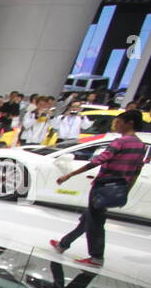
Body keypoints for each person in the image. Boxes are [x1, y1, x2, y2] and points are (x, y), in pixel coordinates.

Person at [50, 111, 145, 267]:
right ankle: (63, 244)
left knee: (95, 222)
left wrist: (70, 175)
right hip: (117, 187)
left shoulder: (119, 142)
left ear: (130, 123)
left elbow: (97, 161)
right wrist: (126, 191)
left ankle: (96, 257)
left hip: (103, 186)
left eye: (119, 122)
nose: (116, 125)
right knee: (89, 219)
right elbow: (137, 171)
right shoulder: (140, 145)